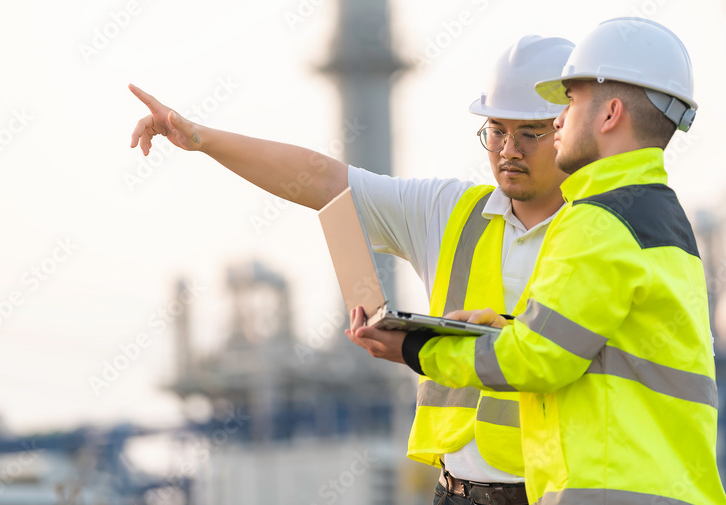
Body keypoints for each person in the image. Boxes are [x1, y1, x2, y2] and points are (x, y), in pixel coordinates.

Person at [129, 34, 575, 505]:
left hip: (558, 493)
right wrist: (202, 139)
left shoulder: (605, 233)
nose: (507, 150)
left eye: (529, 133)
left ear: (571, 127)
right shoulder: (450, 213)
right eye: (496, 130)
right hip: (456, 490)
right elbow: (321, 178)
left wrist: (420, 350)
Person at [353, 18, 726, 505]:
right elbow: (601, 347)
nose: (557, 121)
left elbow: (537, 361)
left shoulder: (598, 219)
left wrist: (416, 350)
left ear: (611, 113)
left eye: (569, 102)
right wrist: (509, 327)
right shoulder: (664, 221)